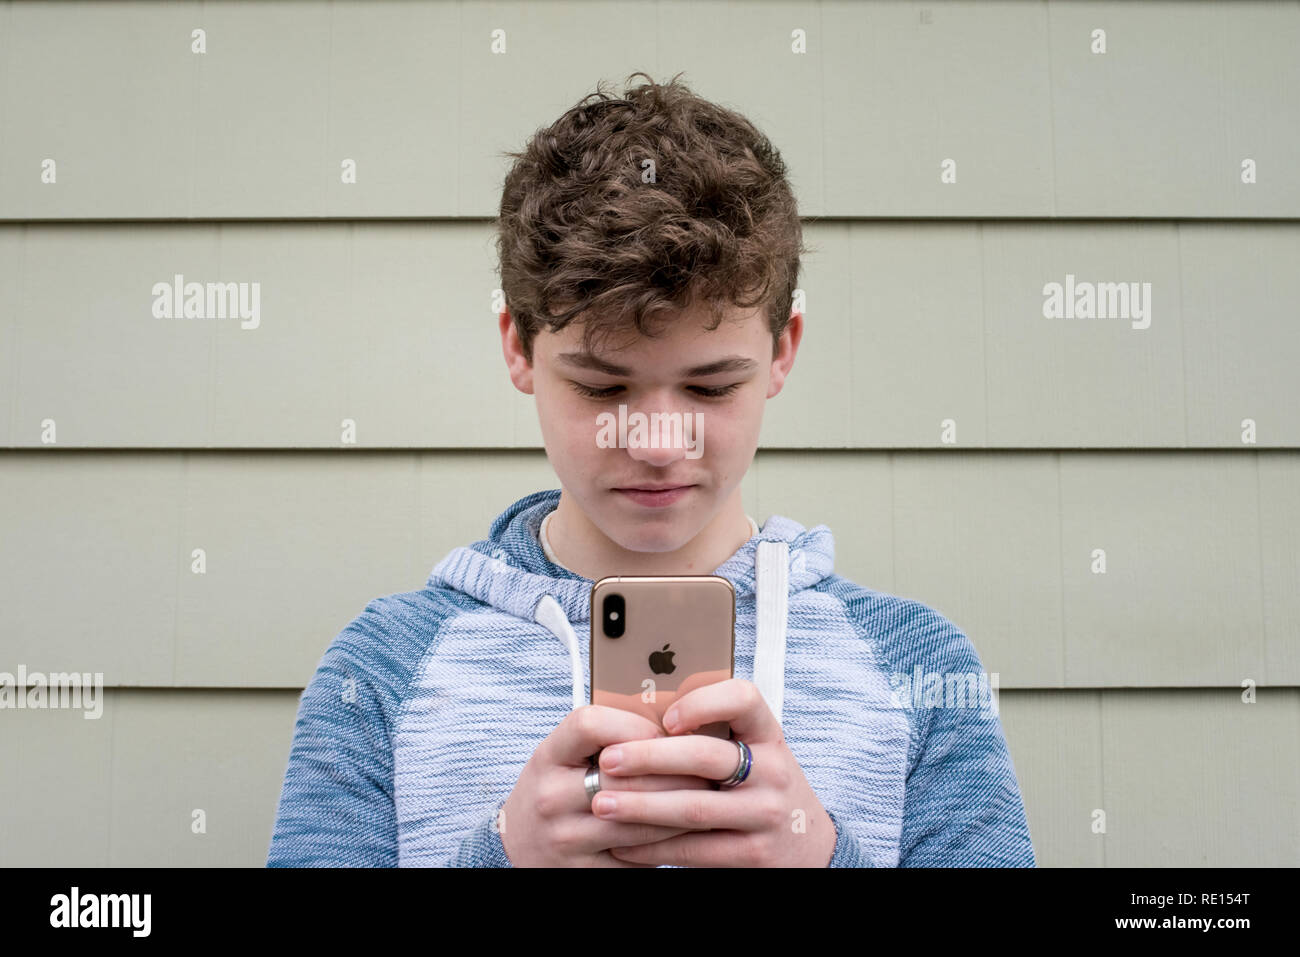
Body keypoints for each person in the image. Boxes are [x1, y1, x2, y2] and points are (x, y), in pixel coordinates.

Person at [266, 71, 1035, 868]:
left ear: (784, 351)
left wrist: (821, 854)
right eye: (603, 387)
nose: (659, 439)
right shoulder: (379, 672)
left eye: (710, 386)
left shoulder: (921, 670)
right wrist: (503, 855)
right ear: (516, 346)